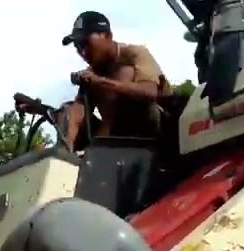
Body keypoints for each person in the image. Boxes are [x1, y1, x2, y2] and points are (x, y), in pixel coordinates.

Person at [56, 11, 172, 149]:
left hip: (161, 134)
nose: (83, 52)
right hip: (114, 139)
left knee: (126, 74)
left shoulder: (135, 54)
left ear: (108, 36)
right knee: (67, 111)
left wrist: (101, 82)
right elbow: (78, 112)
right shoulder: (91, 73)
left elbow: (149, 92)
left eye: (86, 43)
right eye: (78, 46)